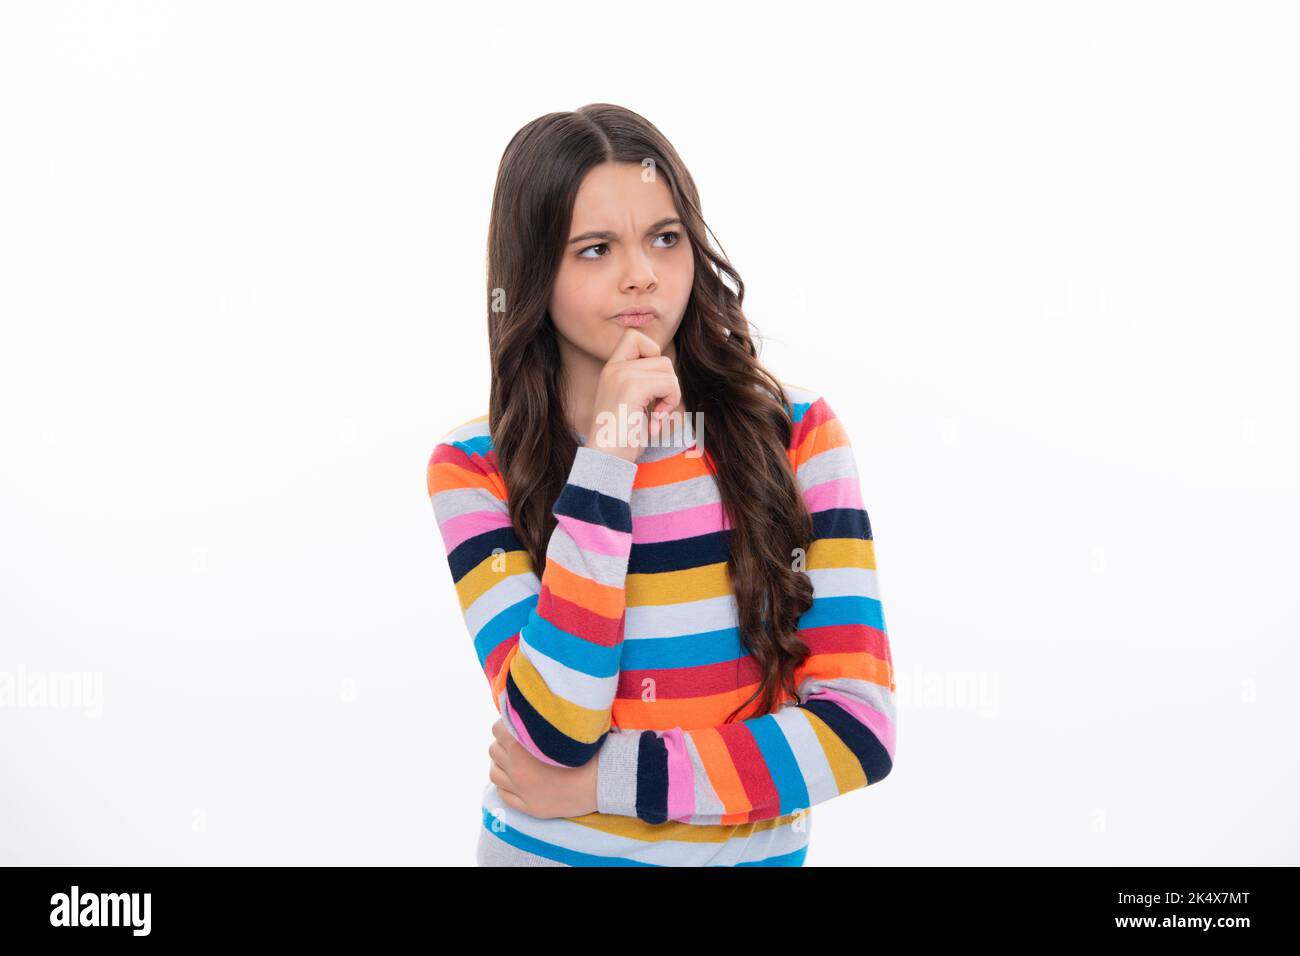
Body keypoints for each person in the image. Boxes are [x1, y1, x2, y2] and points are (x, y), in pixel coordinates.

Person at [426, 103, 896, 866]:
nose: (641, 273)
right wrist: (607, 457)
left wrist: (602, 782)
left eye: (665, 238)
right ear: (533, 270)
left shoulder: (797, 437)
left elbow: (857, 733)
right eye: (595, 248)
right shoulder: (474, 465)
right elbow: (553, 729)